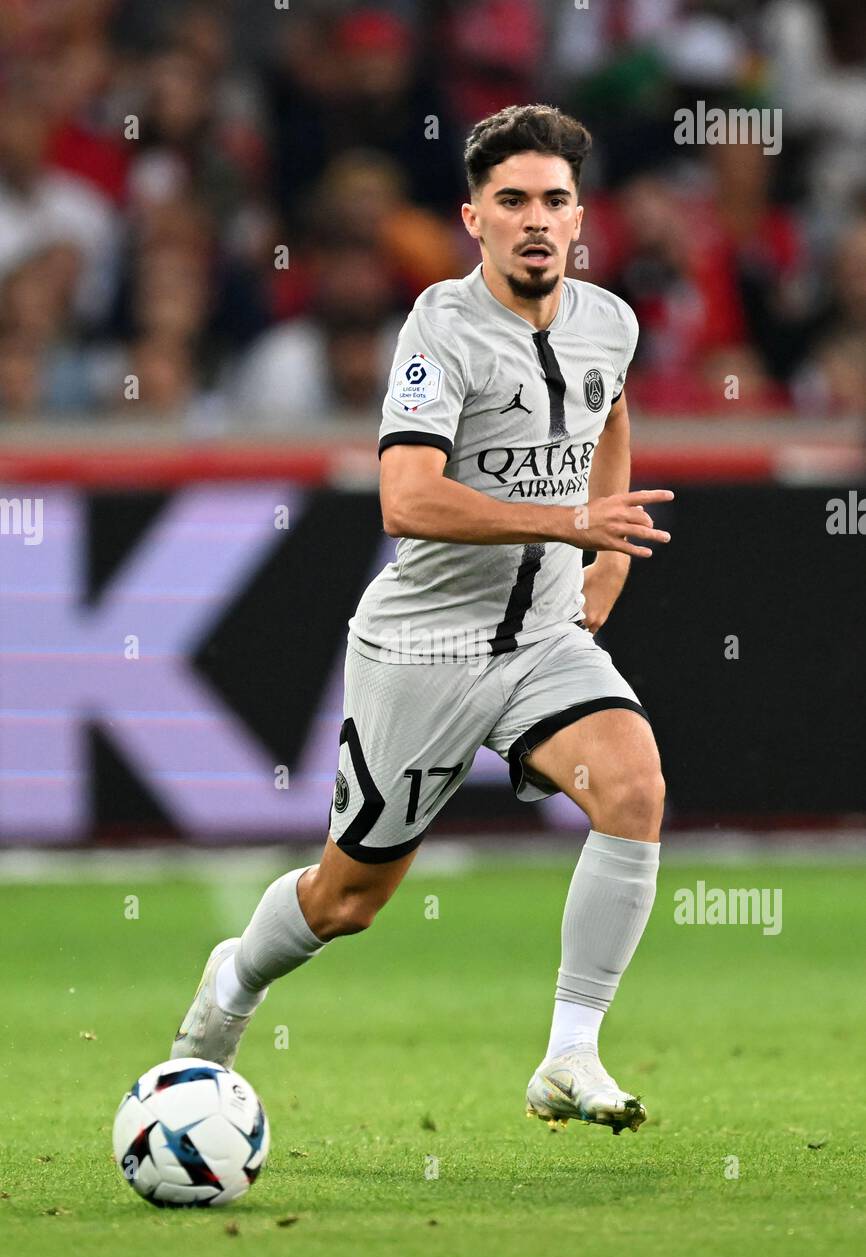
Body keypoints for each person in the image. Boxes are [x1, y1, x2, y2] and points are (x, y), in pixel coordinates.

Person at [171, 104, 673, 1137]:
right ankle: (230, 986)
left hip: (539, 639)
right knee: (345, 900)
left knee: (632, 784)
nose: (534, 220)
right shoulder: (439, 328)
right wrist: (570, 517)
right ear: (471, 219)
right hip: (423, 649)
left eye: (553, 201)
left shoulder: (608, 321)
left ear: (579, 217)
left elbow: (611, 410)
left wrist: (603, 558)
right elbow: (406, 499)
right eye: (511, 202)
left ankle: (568, 1053)